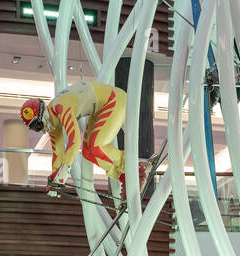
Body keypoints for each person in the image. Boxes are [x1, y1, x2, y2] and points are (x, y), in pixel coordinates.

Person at [20, 83, 149, 196]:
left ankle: (137, 168)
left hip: (114, 100)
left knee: (96, 147)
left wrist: (63, 172)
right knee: (88, 153)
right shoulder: (52, 123)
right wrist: (54, 180)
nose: (41, 130)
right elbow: (58, 153)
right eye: (35, 129)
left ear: (44, 114)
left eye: (38, 125)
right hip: (99, 107)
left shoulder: (61, 107)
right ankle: (123, 177)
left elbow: (74, 142)